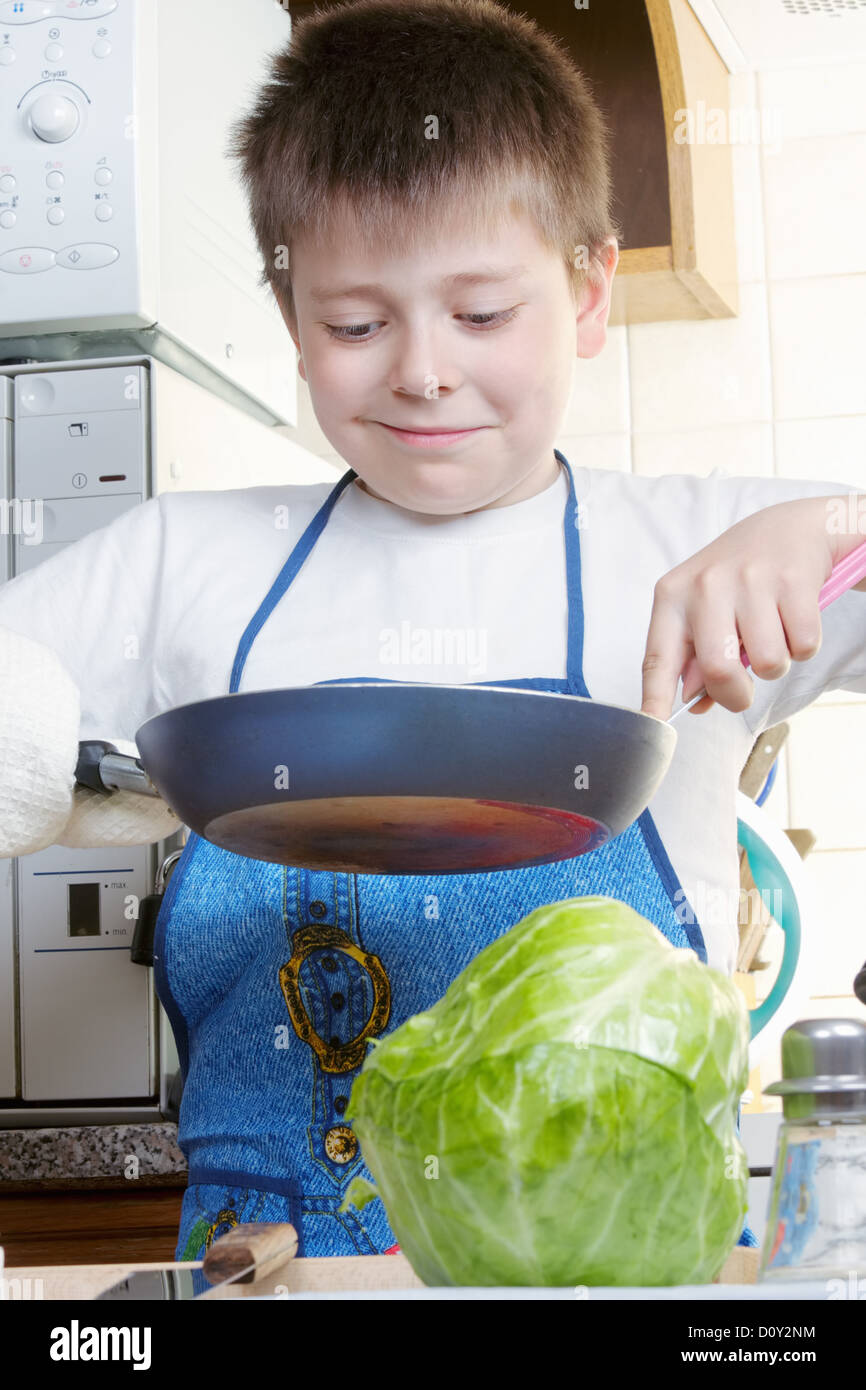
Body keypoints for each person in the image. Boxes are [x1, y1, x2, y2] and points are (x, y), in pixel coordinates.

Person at [0, 0, 864, 1267]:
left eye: (480, 313)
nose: (419, 370)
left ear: (585, 290)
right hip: (262, 1275)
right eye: (356, 324)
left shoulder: (698, 542)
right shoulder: (178, 560)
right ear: (291, 318)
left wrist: (846, 529)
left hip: (614, 1277)